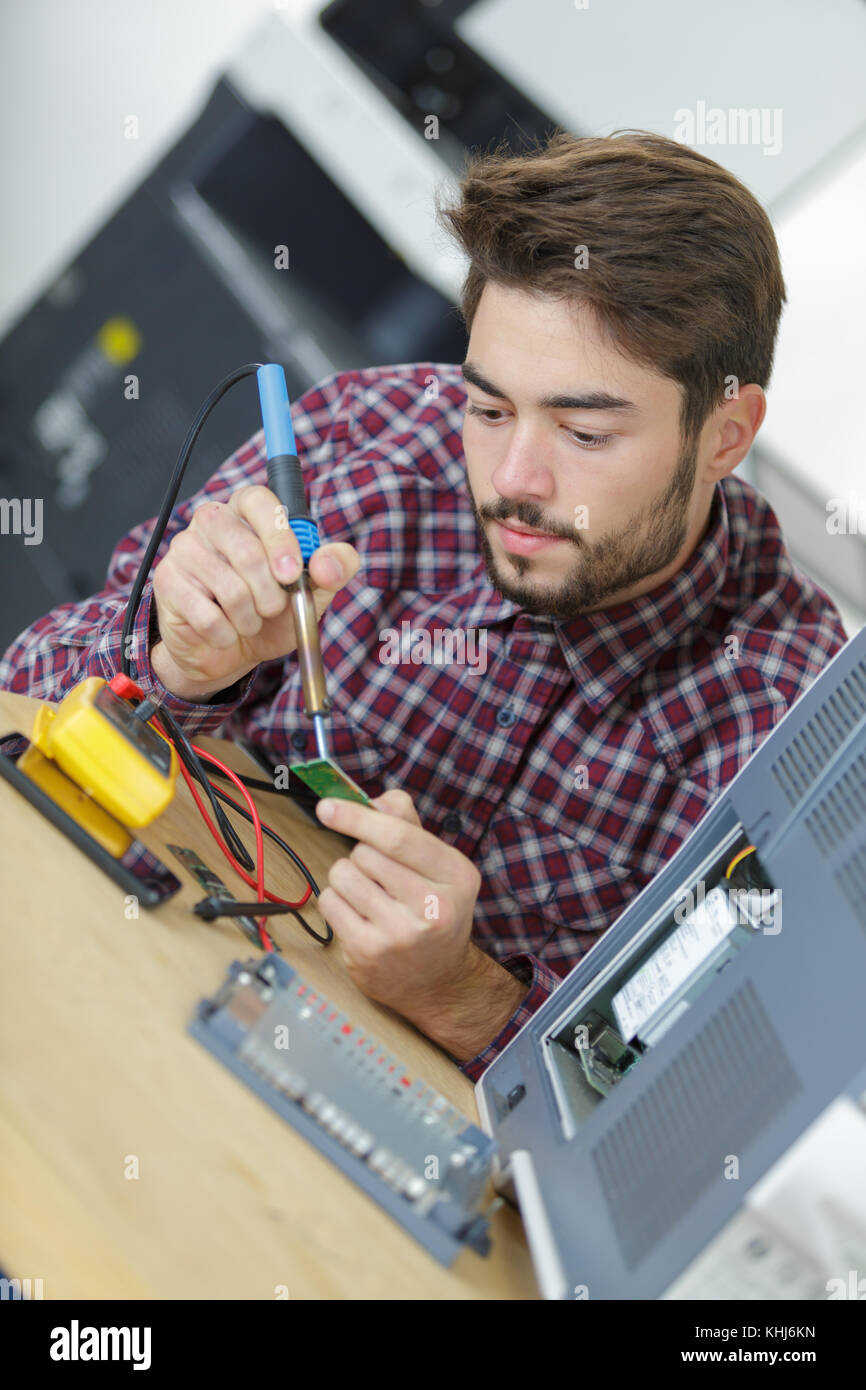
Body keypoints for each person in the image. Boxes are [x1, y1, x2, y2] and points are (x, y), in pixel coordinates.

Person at [1, 130, 847, 1080]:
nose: (515, 480)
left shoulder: (796, 727)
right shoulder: (368, 443)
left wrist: (466, 997)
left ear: (726, 434)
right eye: (488, 408)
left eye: (583, 430)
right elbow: (21, 691)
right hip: (122, 978)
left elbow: (723, 1101)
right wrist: (174, 663)